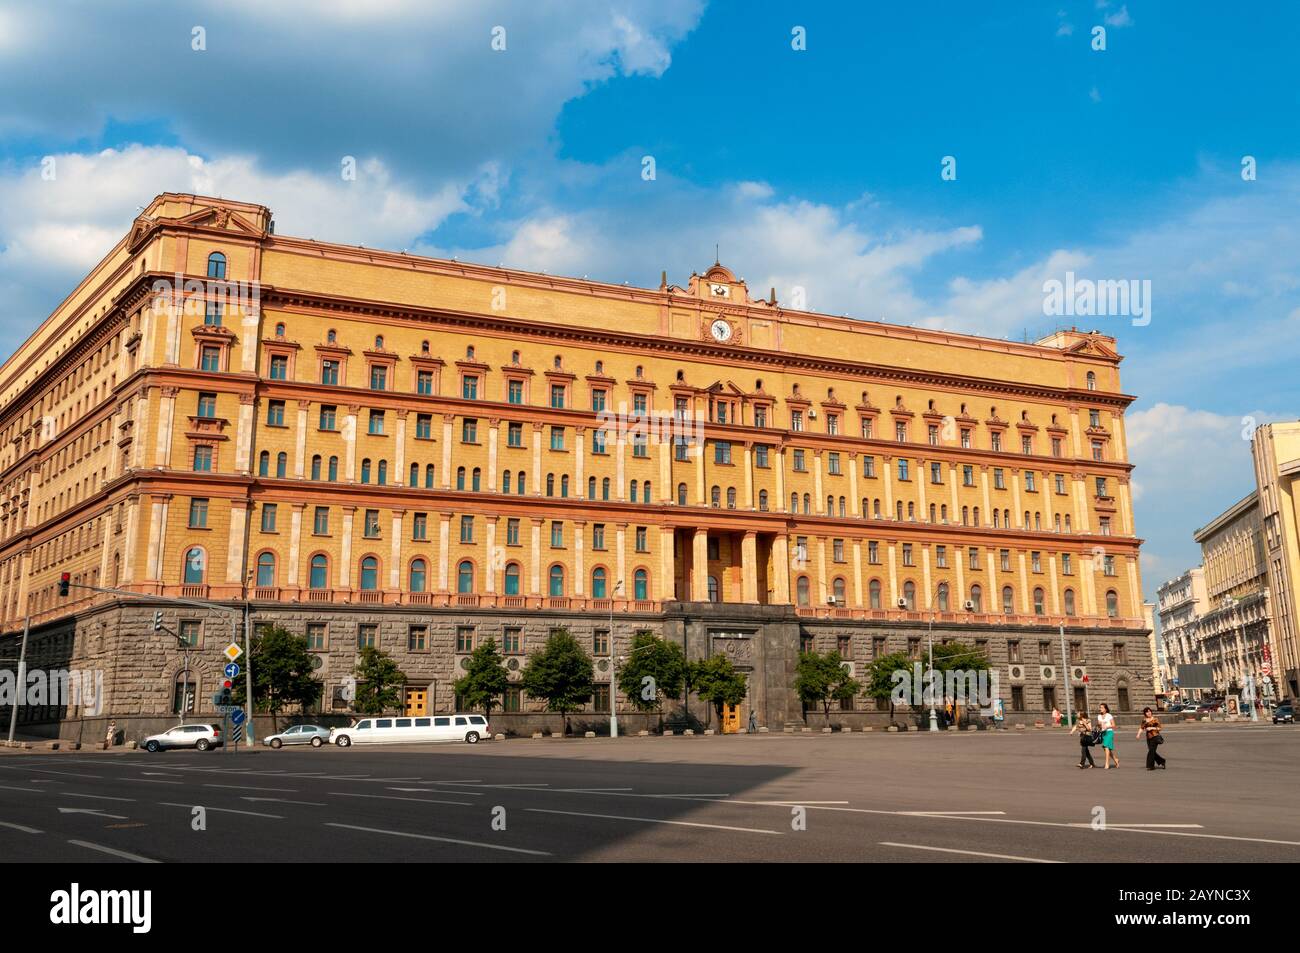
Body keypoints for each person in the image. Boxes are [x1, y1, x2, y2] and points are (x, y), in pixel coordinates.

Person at [1096, 703, 1119, 769]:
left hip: (1109, 732)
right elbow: (1099, 725)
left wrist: (1107, 726)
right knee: (1106, 748)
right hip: (1103, 733)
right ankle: (1115, 759)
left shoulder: (1109, 715)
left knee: (1106, 746)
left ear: (1105, 709)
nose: (1100, 709)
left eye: (1102, 707)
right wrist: (1099, 726)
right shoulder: (1099, 716)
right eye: (1100, 707)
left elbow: (1114, 725)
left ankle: (1107, 763)